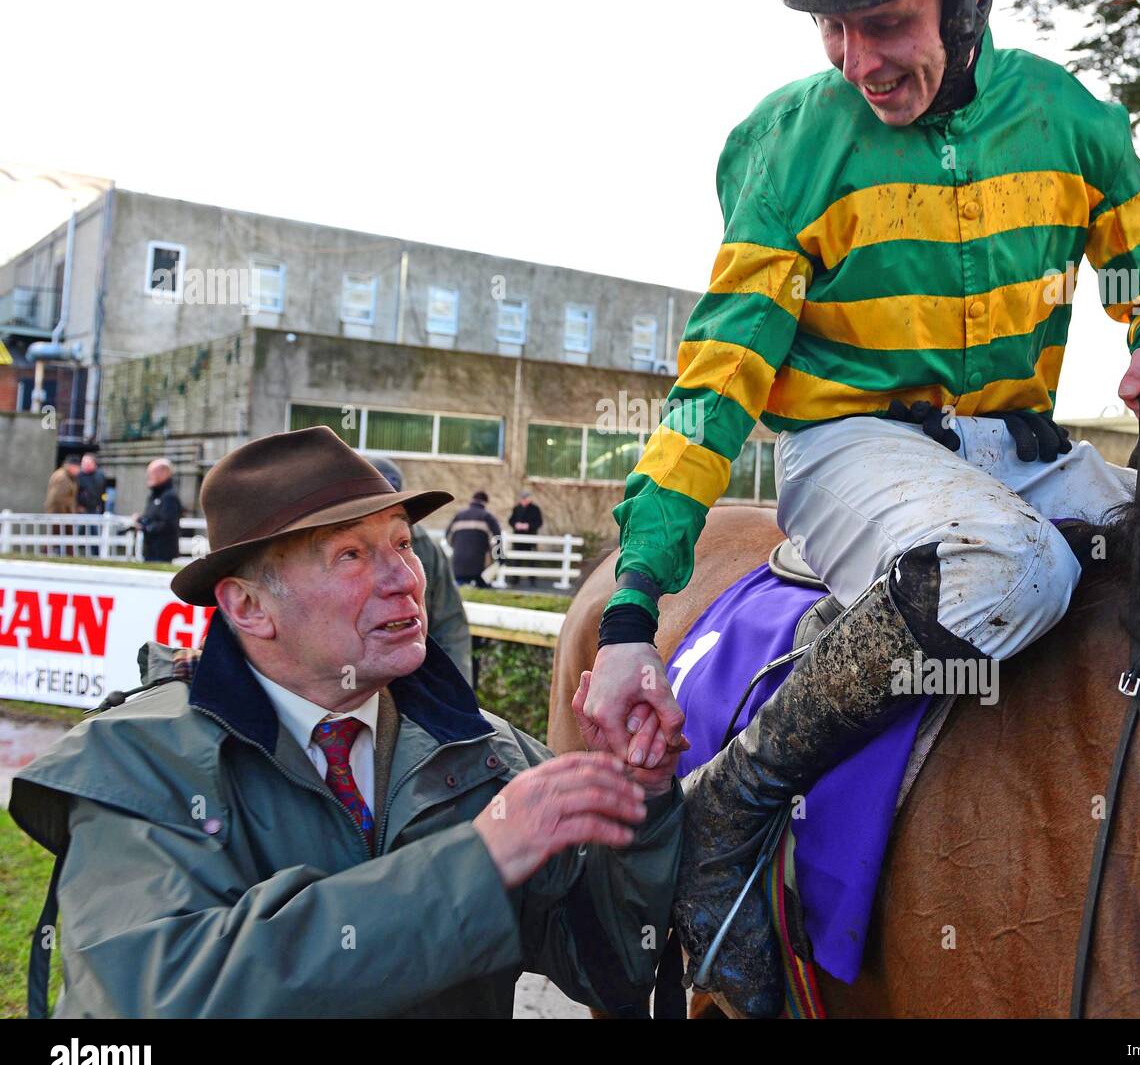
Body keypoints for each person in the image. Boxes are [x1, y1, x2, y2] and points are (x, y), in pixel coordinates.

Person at [580, 0, 1140, 1016]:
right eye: (829, 26)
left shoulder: (1075, 121)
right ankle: (737, 798)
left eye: (885, 23)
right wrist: (629, 608)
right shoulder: (787, 145)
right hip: (851, 452)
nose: (855, 58)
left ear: (967, 2)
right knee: (1012, 570)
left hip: (1027, 452)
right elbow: (716, 385)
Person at [10, 427, 684, 1018]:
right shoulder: (138, 757)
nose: (404, 578)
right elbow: (160, 998)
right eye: (352, 556)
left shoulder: (481, 750)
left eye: (402, 541)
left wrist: (643, 799)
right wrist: (474, 865)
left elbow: (615, 968)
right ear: (247, 606)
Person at [369, 455, 474, 682]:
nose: (406, 580)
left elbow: (450, 623)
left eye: (403, 544)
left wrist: (456, 692)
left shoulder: (426, 546)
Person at [447, 490, 501, 588]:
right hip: (479, 566)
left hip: (458, 564)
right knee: (481, 586)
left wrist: (457, 548)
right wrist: (499, 557)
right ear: (485, 502)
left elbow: (447, 537)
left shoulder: (459, 516)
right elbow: (498, 538)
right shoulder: (487, 516)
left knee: (459, 589)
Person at [133, 457, 181, 563]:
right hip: (150, 550)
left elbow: (168, 524)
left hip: (161, 552)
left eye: (152, 473)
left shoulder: (169, 497)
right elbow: (152, 517)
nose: (149, 477)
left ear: (164, 473)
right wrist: (141, 520)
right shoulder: (154, 496)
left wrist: (146, 527)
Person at [43, 457, 79, 557]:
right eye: (77, 467)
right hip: (60, 513)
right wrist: (65, 515)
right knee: (59, 537)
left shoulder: (65, 475)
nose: (78, 470)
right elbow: (59, 499)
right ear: (72, 466)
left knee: (56, 537)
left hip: (60, 513)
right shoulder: (63, 477)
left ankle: (51, 554)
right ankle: (68, 557)